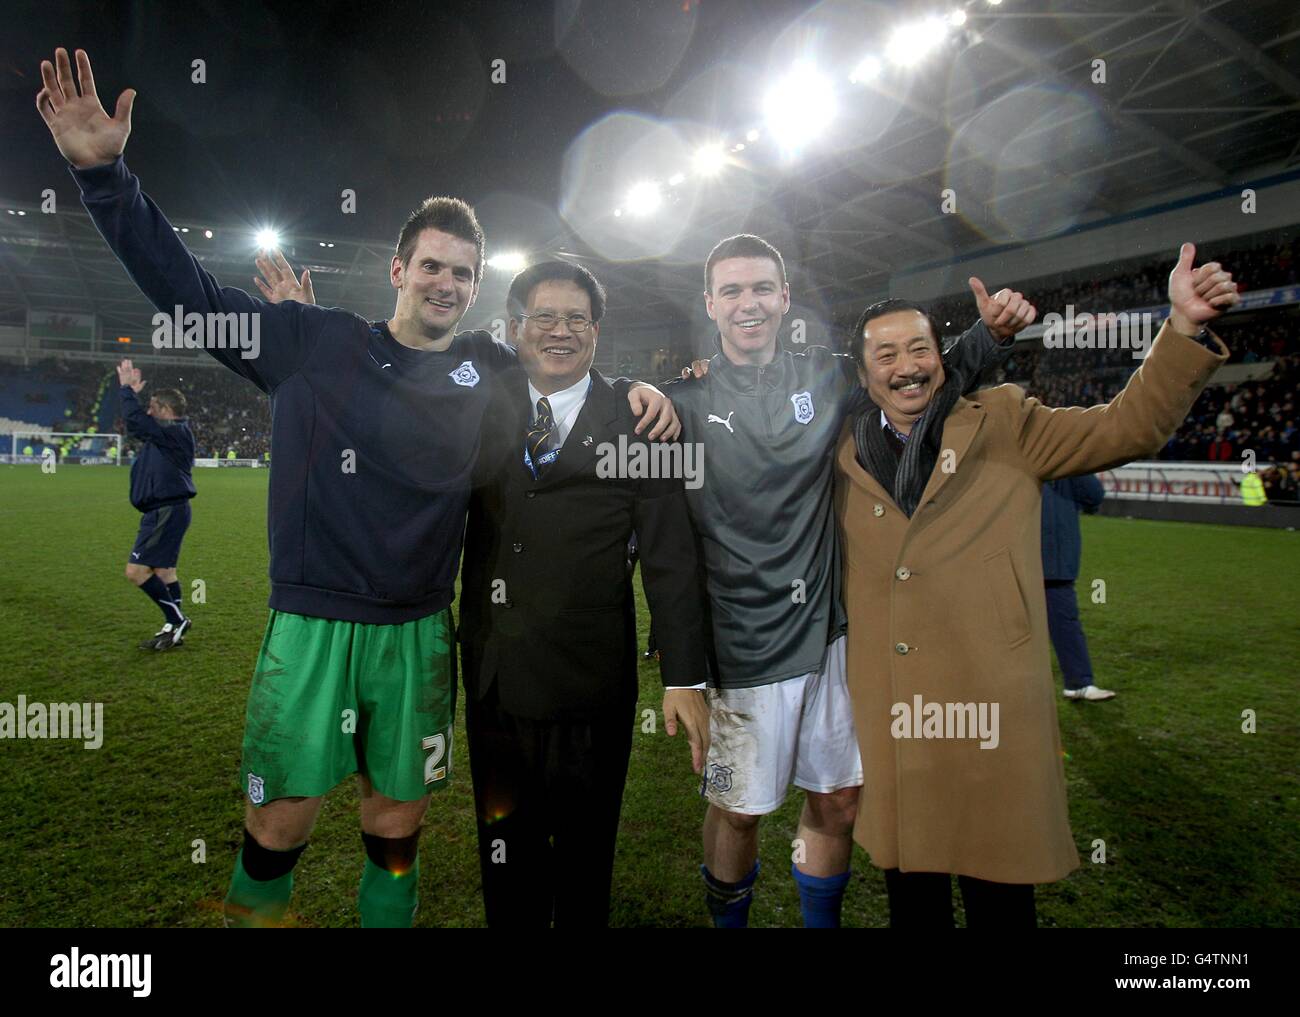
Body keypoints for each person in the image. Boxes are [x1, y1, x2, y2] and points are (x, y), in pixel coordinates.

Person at [36, 47, 677, 929]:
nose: (447, 282)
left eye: (463, 272)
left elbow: (566, 371)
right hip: (313, 625)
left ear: (475, 287)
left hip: (417, 631)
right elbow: (184, 291)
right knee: (278, 823)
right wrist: (104, 174)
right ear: (398, 270)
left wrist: (646, 389)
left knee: (398, 822)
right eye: (432, 266)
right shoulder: (312, 341)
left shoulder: (488, 366)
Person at [834, 243, 1236, 927]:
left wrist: (1183, 327)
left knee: (1001, 893)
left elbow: (1130, 424)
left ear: (943, 356)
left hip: (990, 701)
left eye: (920, 350)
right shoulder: (838, 451)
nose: (907, 368)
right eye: (887, 355)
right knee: (913, 899)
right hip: (893, 710)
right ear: (864, 374)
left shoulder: (1008, 422)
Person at [665, 234, 1034, 927]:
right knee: (738, 811)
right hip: (742, 645)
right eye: (733, 291)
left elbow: (915, 375)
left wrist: (990, 335)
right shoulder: (681, 404)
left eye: (762, 288)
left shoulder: (824, 378)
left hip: (834, 637)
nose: (749, 303)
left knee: (837, 802)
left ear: (783, 297)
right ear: (711, 303)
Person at [457, 260, 710, 926]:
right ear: (517, 329)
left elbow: (672, 558)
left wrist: (685, 676)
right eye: (544, 316)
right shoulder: (486, 403)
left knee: (583, 860)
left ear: (596, 331)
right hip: (494, 680)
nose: (560, 331)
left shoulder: (643, 423)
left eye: (576, 318)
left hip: (589, 685)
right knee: (504, 854)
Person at [117, 357, 196, 650]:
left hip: (165, 511)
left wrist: (126, 390)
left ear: (164, 410)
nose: (147, 412)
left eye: (152, 407)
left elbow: (137, 422)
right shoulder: (168, 434)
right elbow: (136, 425)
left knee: (135, 572)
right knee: (164, 573)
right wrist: (133, 397)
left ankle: (176, 621)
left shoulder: (174, 432)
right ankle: (173, 628)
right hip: (168, 510)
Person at [1041, 475, 1114, 701]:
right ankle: (1078, 681)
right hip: (1049, 556)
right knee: (1064, 622)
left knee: (1064, 622)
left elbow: (1093, 496)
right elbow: (1093, 497)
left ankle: (1079, 682)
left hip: (1051, 559)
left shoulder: (1066, 465)